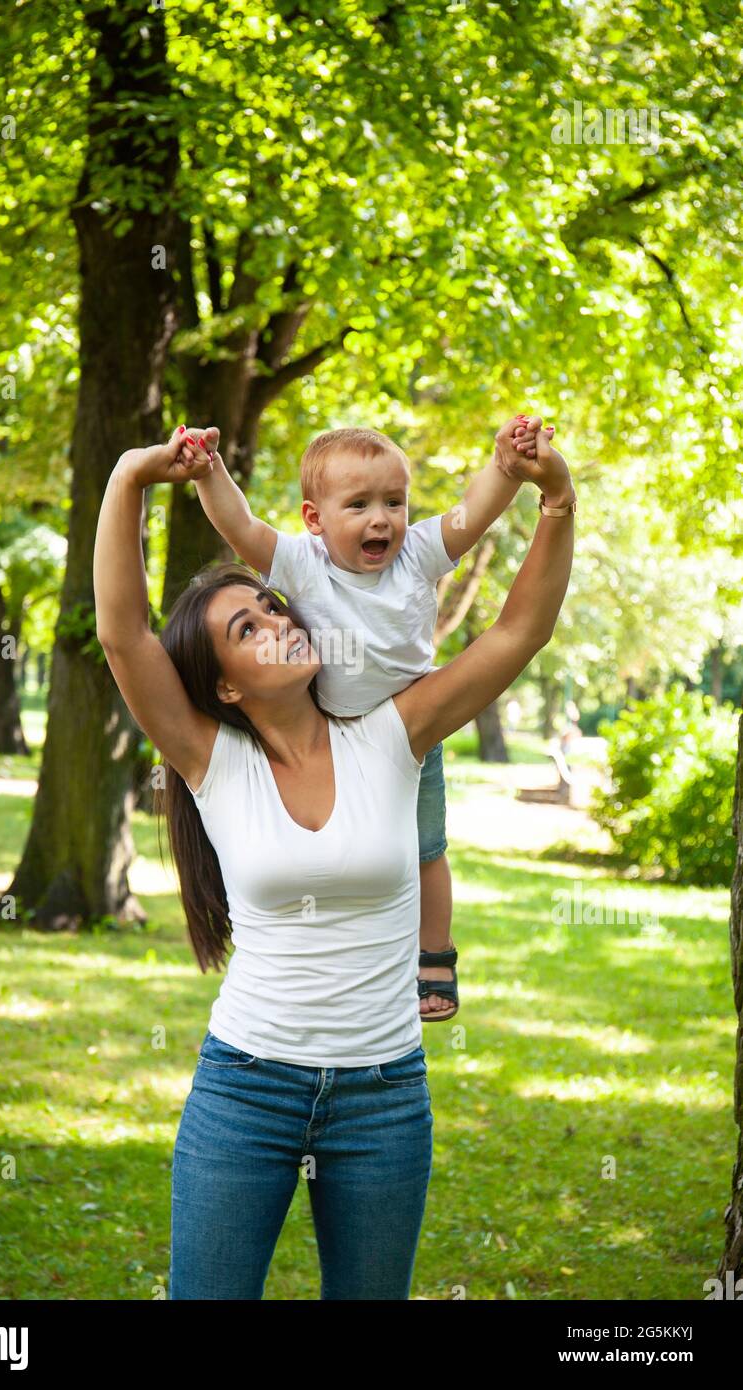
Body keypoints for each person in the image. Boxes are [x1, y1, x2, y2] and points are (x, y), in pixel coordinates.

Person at [93, 417, 576, 1300]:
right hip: (245, 1090)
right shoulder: (211, 762)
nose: (277, 619)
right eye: (248, 627)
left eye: (273, 605)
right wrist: (130, 477)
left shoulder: (392, 737)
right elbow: (124, 638)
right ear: (225, 685)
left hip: (384, 1097)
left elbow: (517, 634)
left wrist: (555, 499)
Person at [173, 412, 550, 1023]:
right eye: (360, 505)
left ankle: (435, 954)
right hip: (333, 728)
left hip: (411, 732)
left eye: (394, 501)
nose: (382, 519)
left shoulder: (419, 553)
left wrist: (507, 465)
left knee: (428, 848)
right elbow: (239, 524)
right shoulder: (301, 564)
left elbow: (472, 513)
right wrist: (209, 470)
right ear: (314, 520)